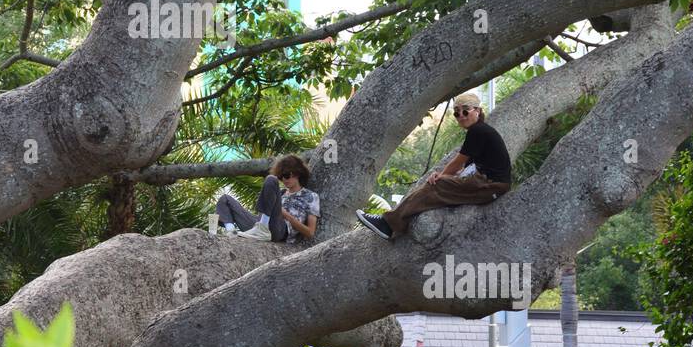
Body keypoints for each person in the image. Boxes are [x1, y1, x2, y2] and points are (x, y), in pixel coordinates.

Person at [356, 92, 511, 240]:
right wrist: (448, 176)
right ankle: (394, 220)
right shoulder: (480, 131)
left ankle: (388, 224)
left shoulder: (478, 131)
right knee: (439, 184)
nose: (461, 116)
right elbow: (464, 167)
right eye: (457, 113)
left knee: (437, 185)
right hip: (487, 182)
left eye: (465, 111)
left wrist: (441, 176)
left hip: (491, 186)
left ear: (477, 111)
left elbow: (458, 161)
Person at [215, 154, 319, 243]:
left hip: (279, 230)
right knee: (225, 199)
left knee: (270, 179)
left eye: (286, 175)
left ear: (298, 173)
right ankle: (231, 232)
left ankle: (262, 229)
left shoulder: (310, 196)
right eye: (281, 177)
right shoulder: (281, 193)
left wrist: (286, 216)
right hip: (259, 223)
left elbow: (310, 232)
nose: (284, 180)